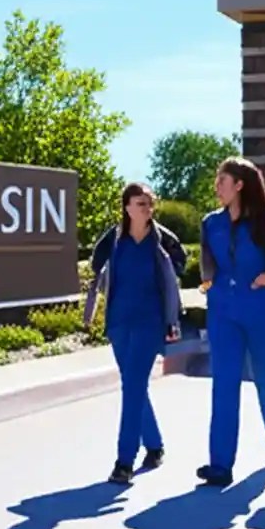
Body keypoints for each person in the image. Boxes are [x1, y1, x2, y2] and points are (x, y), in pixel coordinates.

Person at [196, 156, 265, 486]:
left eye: (222, 181)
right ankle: (220, 464)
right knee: (224, 383)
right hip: (223, 312)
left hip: (261, 310)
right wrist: (207, 288)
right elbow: (207, 266)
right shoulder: (211, 223)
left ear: (239, 185)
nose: (217, 187)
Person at [85, 183, 187, 485]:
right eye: (140, 203)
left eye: (149, 204)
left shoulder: (162, 240)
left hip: (149, 323)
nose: (146, 209)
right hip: (118, 323)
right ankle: (154, 445)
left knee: (132, 387)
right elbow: (96, 266)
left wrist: (172, 319)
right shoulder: (114, 239)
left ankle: (124, 462)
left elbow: (177, 271)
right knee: (133, 385)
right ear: (127, 207)